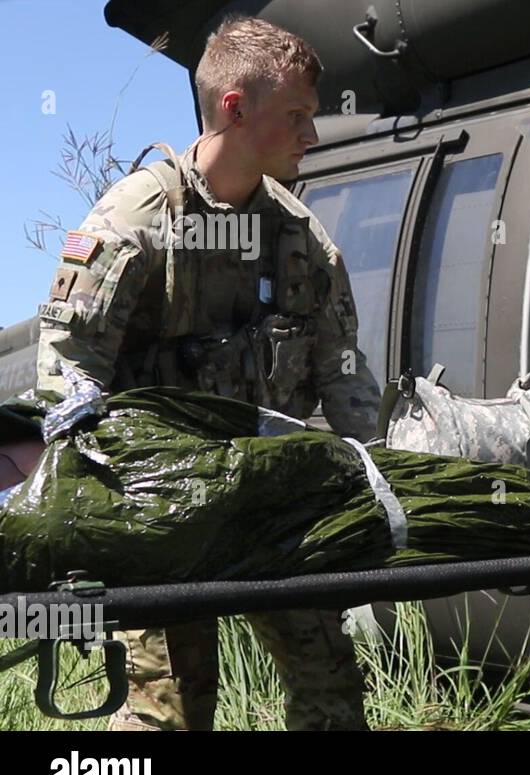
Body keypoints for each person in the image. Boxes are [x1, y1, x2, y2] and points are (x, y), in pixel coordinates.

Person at [34, 15, 382, 730]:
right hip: (161, 508)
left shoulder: (302, 242)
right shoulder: (135, 218)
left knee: (330, 680)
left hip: (268, 499)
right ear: (235, 107)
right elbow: (68, 373)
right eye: (296, 116)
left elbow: (344, 376)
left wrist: (380, 486)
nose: (311, 136)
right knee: (173, 707)